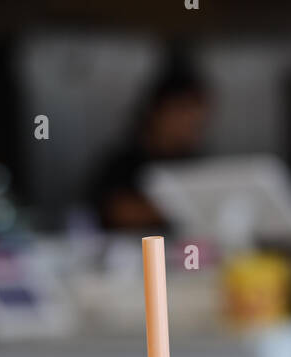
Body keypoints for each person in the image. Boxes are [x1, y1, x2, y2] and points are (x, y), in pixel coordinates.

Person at [90, 62, 210, 232]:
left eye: (197, 119)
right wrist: (180, 209)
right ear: (156, 111)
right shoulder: (123, 163)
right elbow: (118, 212)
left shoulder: (197, 163)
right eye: (182, 111)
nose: (190, 123)